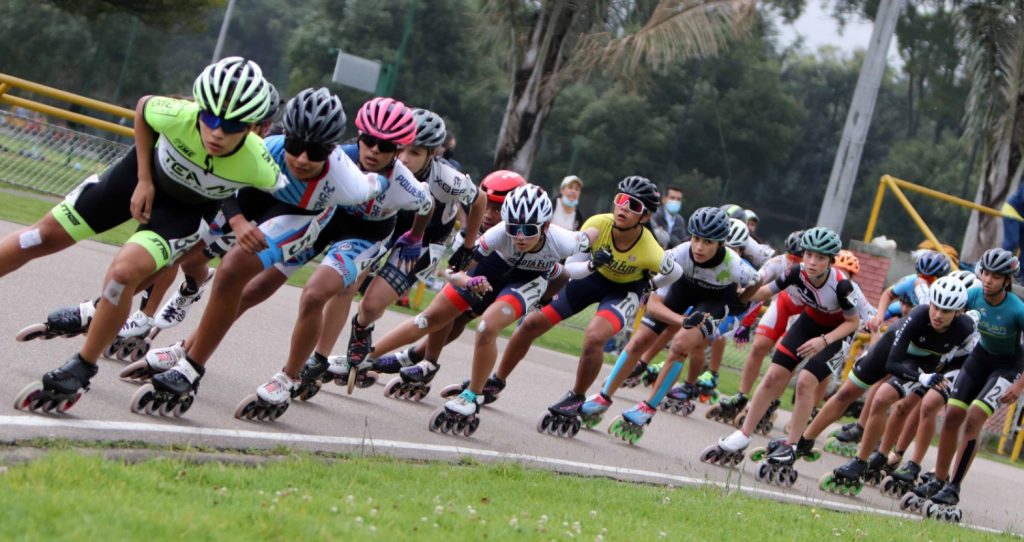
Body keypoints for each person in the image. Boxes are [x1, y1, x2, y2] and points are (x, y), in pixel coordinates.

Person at [11, 57, 281, 414]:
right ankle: (97, 314)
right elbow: (142, 109)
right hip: (137, 179)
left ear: (250, 127)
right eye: (210, 118)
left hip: (181, 214)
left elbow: (266, 198)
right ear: (198, 108)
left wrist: (239, 222)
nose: (216, 132)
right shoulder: (178, 114)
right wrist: (143, 178)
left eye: (231, 126)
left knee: (123, 274)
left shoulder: (260, 164)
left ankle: (81, 366)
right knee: (39, 237)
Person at [118, 89, 387, 417]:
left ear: (331, 150)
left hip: (302, 215)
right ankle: (154, 316)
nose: (302, 159)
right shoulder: (262, 148)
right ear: (284, 136)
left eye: (314, 152)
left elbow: (383, 186)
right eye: (296, 146)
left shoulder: (351, 182)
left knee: (235, 270)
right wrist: (237, 221)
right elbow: (225, 183)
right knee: (185, 249)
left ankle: (195, 367)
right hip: (256, 195)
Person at [495, 176, 680, 438]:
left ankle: (576, 397)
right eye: (621, 200)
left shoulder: (650, 247)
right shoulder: (597, 224)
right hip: (589, 277)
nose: (624, 208)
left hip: (623, 291)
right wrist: (592, 265)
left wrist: (652, 285)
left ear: (646, 216)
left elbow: (675, 272)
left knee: (594, 337)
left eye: (634, 206)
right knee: (531, 324)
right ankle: (497, 380)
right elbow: (570, 268)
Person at [581, 207, 761, 443]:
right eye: (696, 239)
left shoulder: (734, 264)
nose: (699, 247)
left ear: (720, 243)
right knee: (639, 341)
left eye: (707, 242)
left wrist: (741, 301)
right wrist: (683, 321)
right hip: (682, 289)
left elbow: (757, 281)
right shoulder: (678, 254)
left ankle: (647, 408)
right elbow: (654, 306)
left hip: (715, 300)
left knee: (680, 346)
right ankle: (603, 396)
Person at [700, 227, 861, 487]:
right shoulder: (797, 271)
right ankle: (743, 433)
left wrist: (823, 341)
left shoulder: (842, 285)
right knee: (774, 375)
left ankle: (791, 444)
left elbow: (853, 322)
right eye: (809, 255)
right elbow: (767, 291)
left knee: (806, 381)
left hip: (837, 333)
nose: (812, 262)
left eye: (820, 258)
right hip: (810, 322)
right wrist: (740, 295)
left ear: (830, 261)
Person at [815, 277, 976, 495]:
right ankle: (880, 455)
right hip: (920, 363)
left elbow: (974, 358)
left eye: (946, 310)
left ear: (960, 310)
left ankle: (918, 465)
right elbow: (903, 293)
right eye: (936, 307)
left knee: (927, 406)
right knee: (893, 402)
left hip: (946, 367)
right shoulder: (922, 307)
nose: (938, 314)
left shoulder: (970, 324)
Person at [901, 248, 1024, 522]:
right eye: (986, 273)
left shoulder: (1017, 309)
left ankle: (954, 486)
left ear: (1007, 281)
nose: (989, 279)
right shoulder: (973, 295)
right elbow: (946, 315)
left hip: (1007, 366)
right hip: (979, 358)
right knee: (952, 416)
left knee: (974, 418)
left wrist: (1018, 386)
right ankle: (939, 479)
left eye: (996, 276)